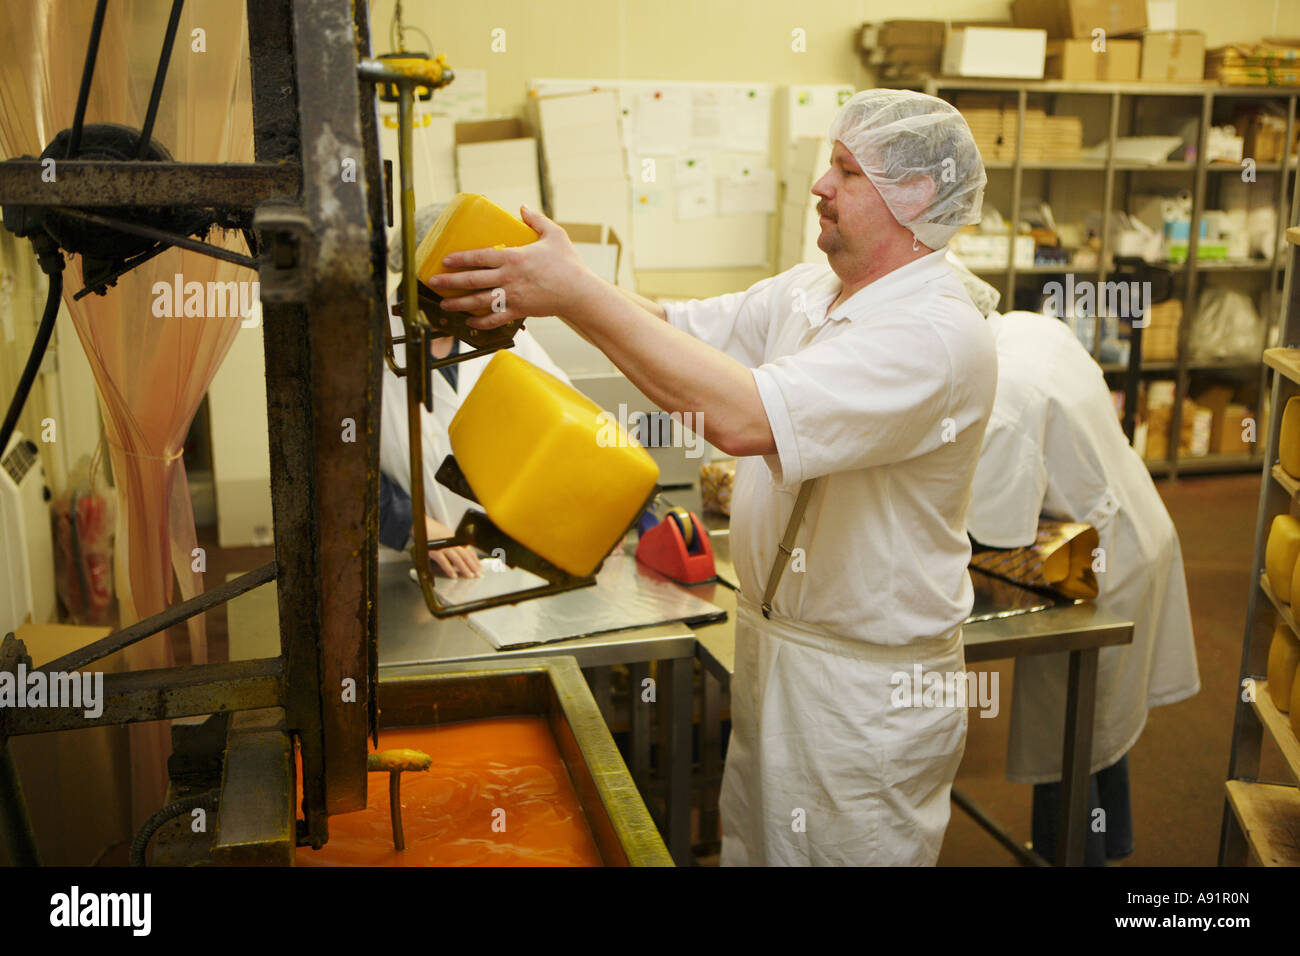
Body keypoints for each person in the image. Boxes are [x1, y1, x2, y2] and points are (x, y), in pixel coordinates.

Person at [428, 89, 997, 865]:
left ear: (916, 194)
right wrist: (555, 283)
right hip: (778, 652)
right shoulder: (812, 291)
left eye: (845, 171)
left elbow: (741, 418)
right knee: (756, 850)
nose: (820, 187)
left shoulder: (934, 334)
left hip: (867, 694)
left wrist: (573, 292)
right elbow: (670, 330)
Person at [965, 306, 1200, 865]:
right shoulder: (1028, 327)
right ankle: (1114, 842)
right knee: (1096, 715)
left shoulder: (1002, 398)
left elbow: (997, 530)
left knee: (1063, 737)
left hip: (1092, 564)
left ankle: (1071, 856)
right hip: (1137, 526)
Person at [379, 203, 574, 578]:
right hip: (406, 567)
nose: (471, 299)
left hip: (507, 561)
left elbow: (567, 420)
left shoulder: (498, 332)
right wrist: (411, 525)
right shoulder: (364, 345)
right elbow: (336, 464)